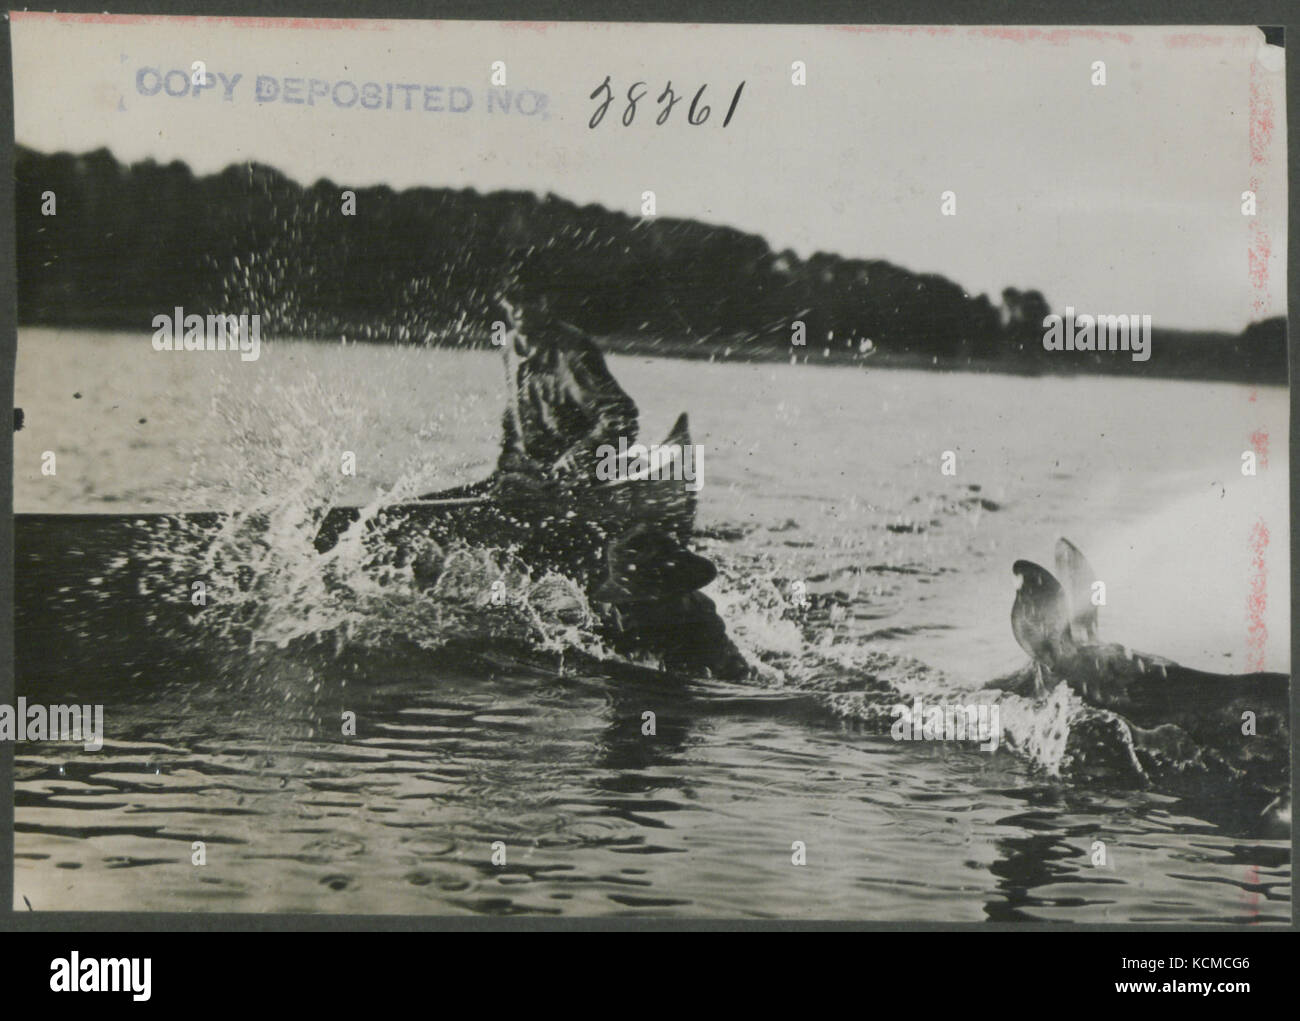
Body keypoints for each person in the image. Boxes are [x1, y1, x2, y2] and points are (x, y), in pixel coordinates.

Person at [495, 294, 638, 491]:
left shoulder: (573, 348)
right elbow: (513, 415)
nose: (519, 310)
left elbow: (622, 419)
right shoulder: (509, 346)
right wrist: (509, 461)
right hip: (533, 476)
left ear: (546, 301)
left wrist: (578, 456)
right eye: (512, 300)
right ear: (502, 302)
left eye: (529, 299)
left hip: (578, 478)